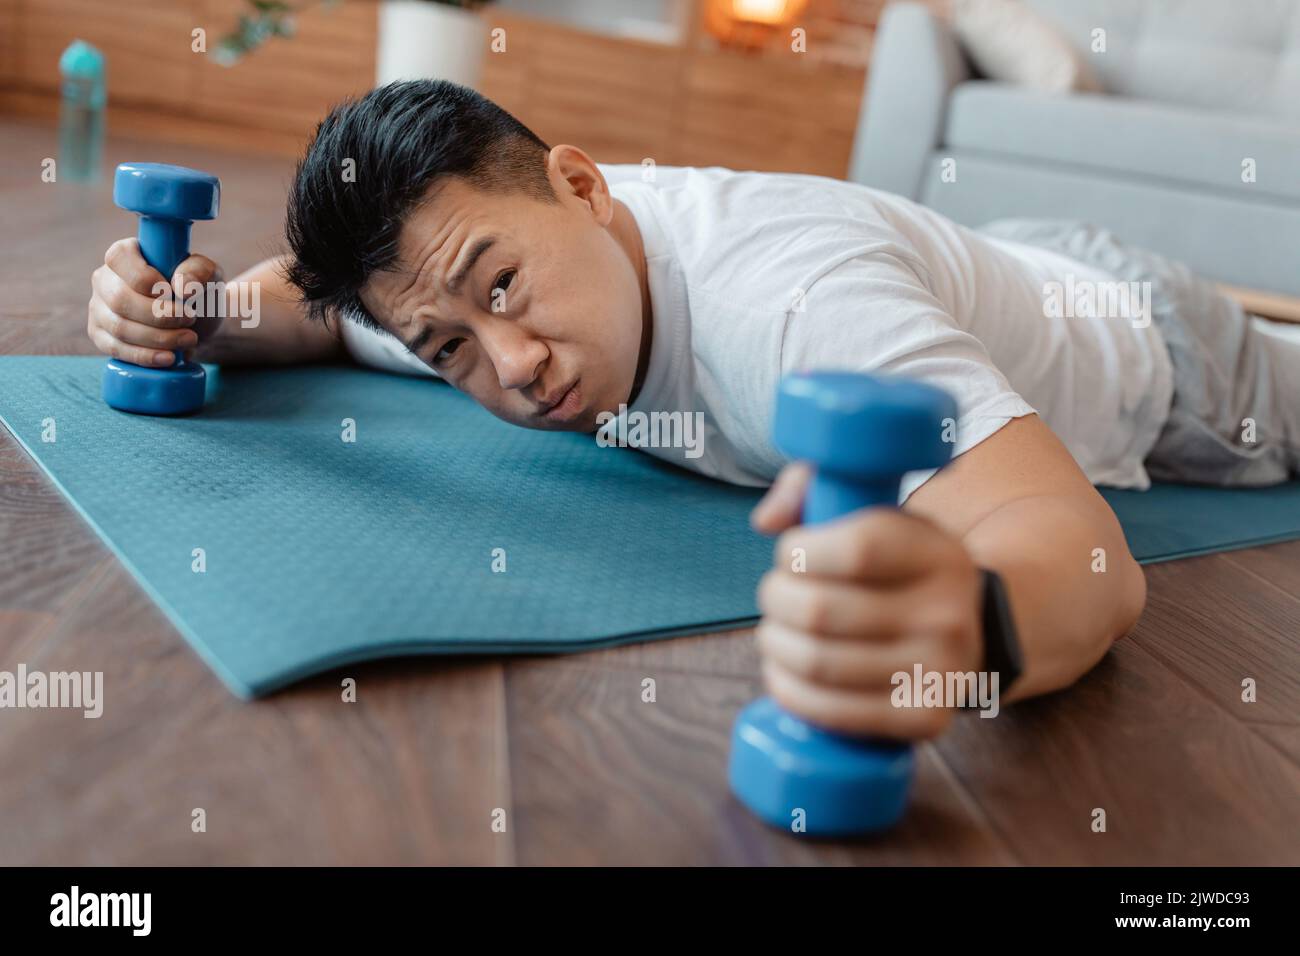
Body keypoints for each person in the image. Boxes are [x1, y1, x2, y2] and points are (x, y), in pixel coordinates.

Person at [86, 80, 1299, 738]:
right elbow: (309, 307)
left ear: (582, 182)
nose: (510, 365)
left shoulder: (795, 315)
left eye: (502, 287)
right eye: (447, 346)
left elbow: (1086, 556)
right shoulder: (463, 296)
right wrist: (187, 314)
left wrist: (969, 625)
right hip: (989, 271)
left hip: (1165, 354)